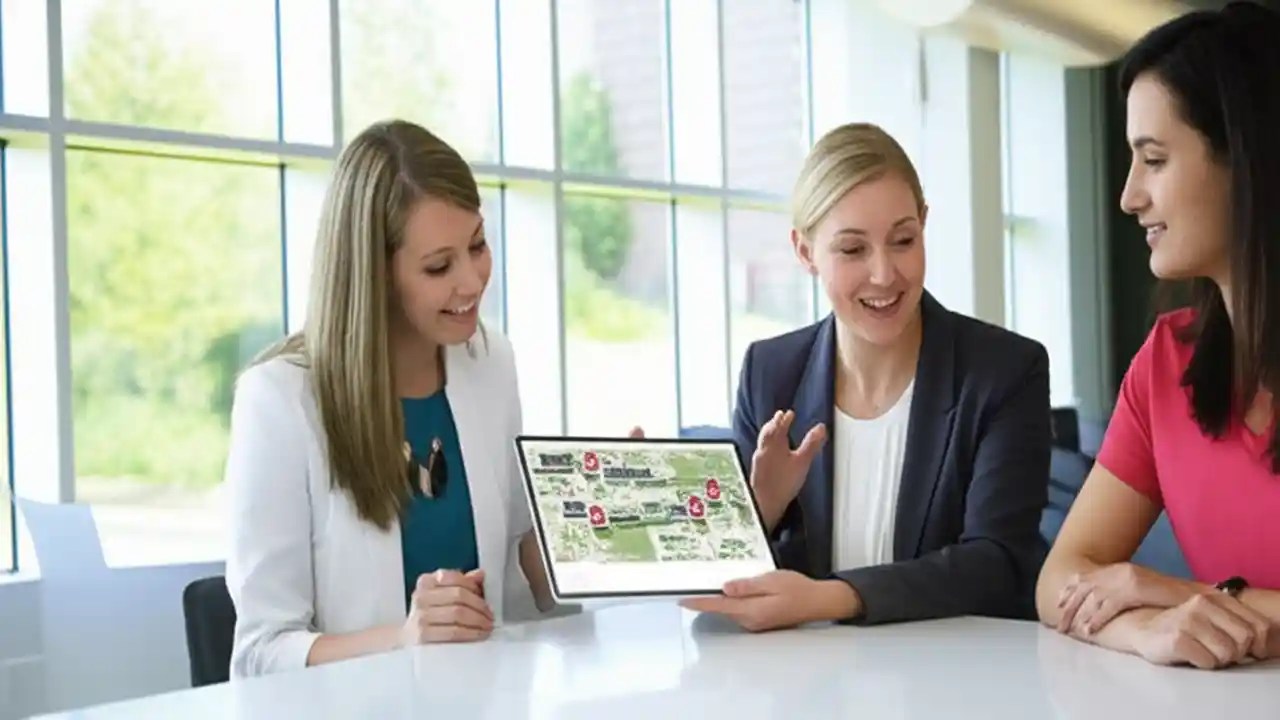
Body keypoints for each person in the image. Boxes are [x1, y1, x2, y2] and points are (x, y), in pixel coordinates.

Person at [681, 122, 1051, 630]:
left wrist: (828, 599)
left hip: (957, 669)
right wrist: (763, 505)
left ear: (924, 224)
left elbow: (999, 563)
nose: (884, 274)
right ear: (805, 251)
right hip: (806, 675)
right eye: (853, 250)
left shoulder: (1004, 372)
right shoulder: (770, 373)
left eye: (903, 240)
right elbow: (721, 581)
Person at [224, 120, 553, 679]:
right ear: (375, 275)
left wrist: (604, 519)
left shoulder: (490, 363)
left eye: (477, 245)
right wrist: (403, 639)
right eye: (439, 266)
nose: (473, 282)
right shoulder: (278, 400)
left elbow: (520, 578)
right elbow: (261, 653)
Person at [1036, 2, 1280, 670]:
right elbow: (1060, 579)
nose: (1129, 196)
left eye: (1154, 159)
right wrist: (1147, 629)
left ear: (1247, 159)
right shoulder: (1166, 362)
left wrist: (1181, 594)